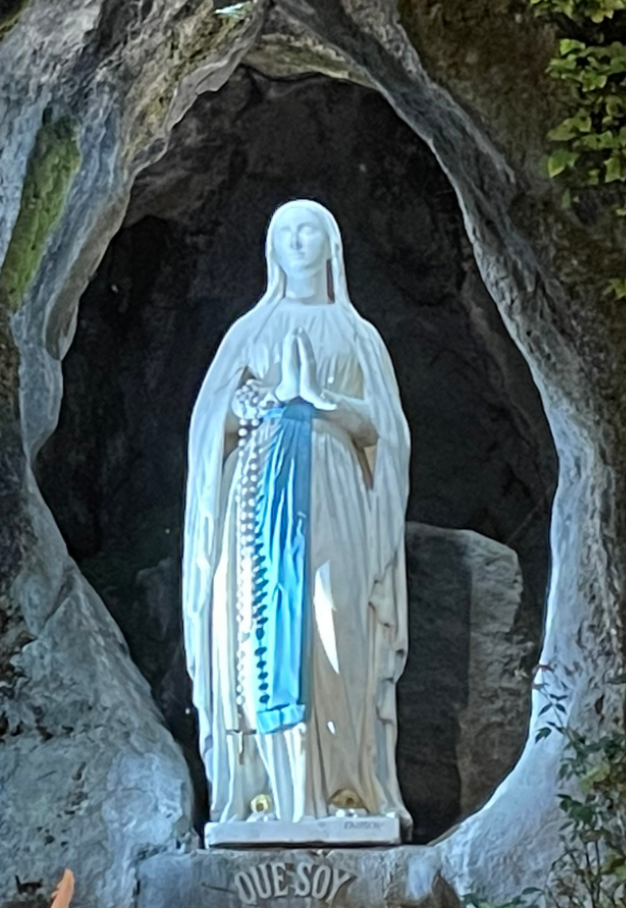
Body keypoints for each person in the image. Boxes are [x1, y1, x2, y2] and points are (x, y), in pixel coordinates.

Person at [182, 199, 411, 830]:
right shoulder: (248, 333)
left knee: (334, 627)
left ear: (331, 245)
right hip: (259, 503)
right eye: (283, 231)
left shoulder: (358, 336)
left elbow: (381, 430)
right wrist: (256, 407)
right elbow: (210, 429)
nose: (296, 240)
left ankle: (345, 790)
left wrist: (322, 401)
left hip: (334, 490)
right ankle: (278, 796)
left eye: (308, 228)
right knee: (263, 631)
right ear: (270, 250)